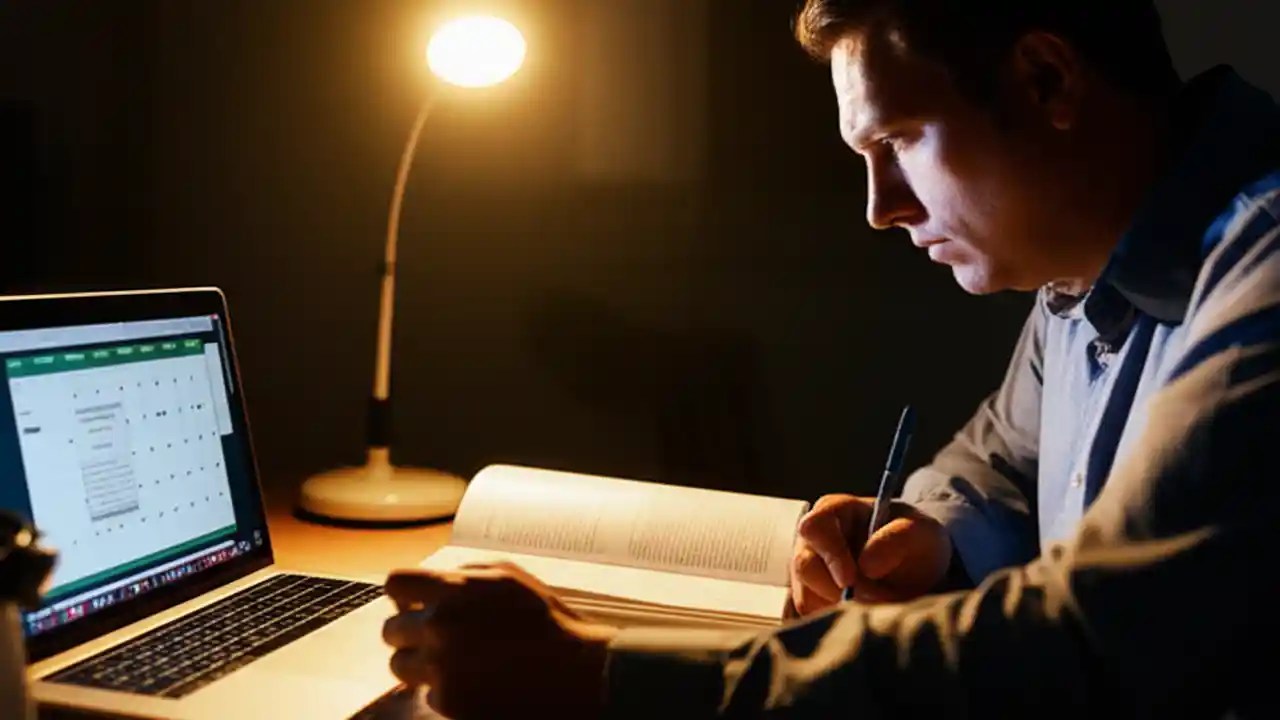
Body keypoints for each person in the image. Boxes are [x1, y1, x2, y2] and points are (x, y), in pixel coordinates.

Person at [379, 1, 1280, 717]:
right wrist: (928, 536)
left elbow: (1099, 647)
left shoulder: (1263, 269)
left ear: (1047, 80)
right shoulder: (1086, 268)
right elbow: (1001, 463)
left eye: (894, 143)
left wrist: (602, 679)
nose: (879, 207)